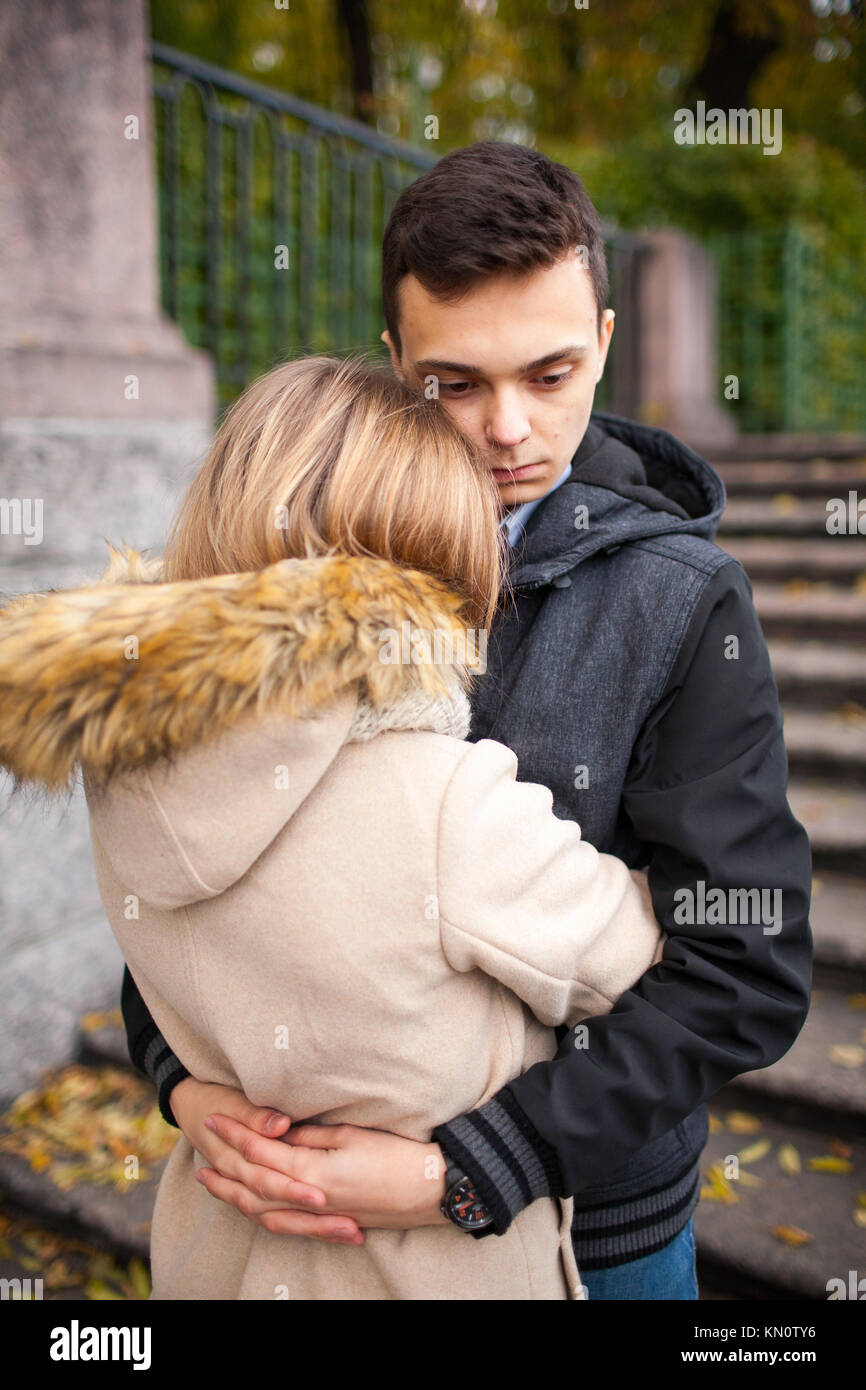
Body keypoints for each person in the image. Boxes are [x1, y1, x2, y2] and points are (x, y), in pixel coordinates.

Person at [119, 141, 813, 1300]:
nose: (504, 430)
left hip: (595, 1228)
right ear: (395, 361)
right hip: (288, 1225)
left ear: (603, 337)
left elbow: (742, 965)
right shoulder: (303, 556)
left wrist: (472, 1163)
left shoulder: (685, 600)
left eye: (547, 374)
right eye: (453, 383)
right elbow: (195, 862)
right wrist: (177, 1079)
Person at [0, 354, 665, 1300]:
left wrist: (183, 1091)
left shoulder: (125, 780)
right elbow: (642, 957)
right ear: (444, 565)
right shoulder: (449, 804)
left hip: (218, 1257)